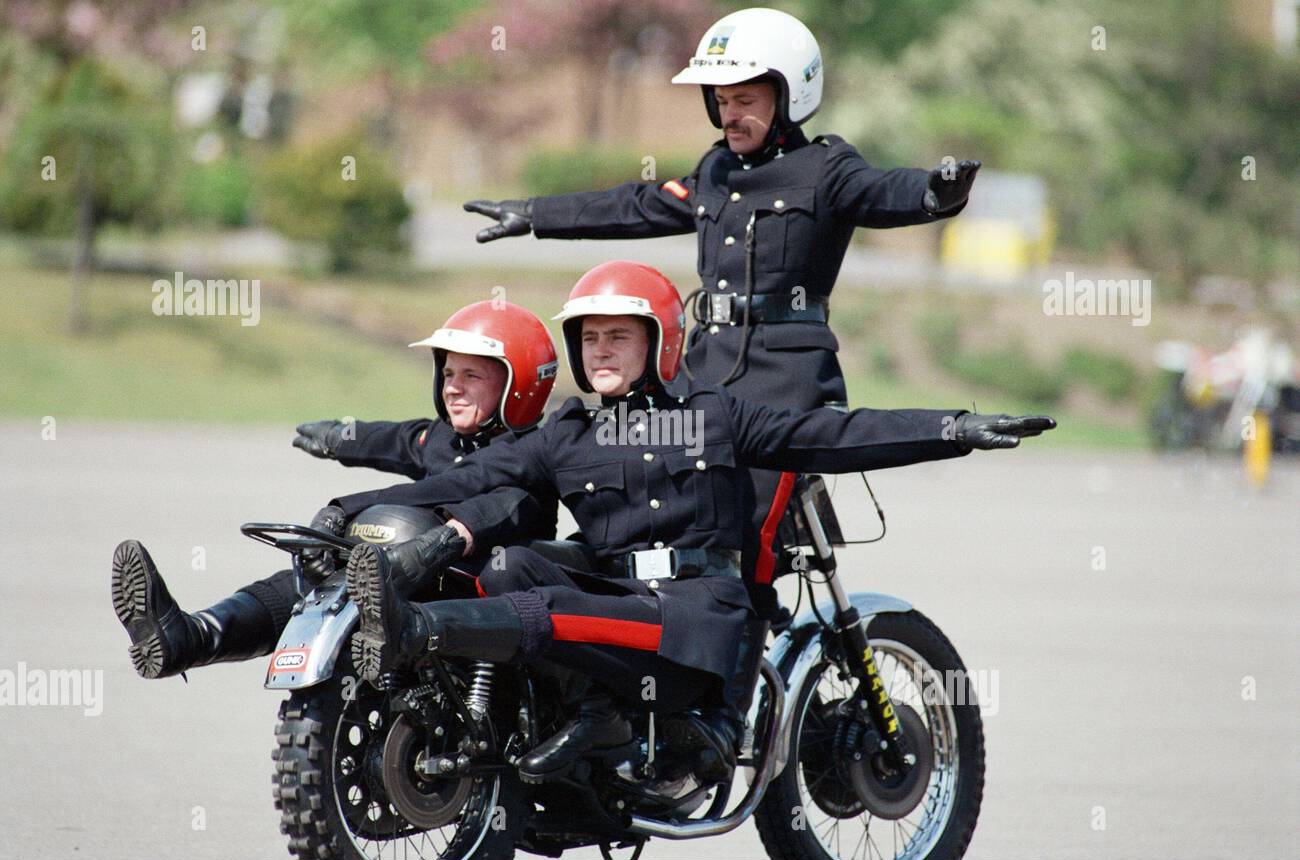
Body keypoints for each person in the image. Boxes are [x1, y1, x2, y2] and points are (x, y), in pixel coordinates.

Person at [329, 261, 1053, 784]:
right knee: (511, 565)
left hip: (693, 624)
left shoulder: (716, 415)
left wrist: (955, 428)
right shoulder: (568, 430)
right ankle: (575, 721)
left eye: (619, 336)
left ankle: (415, 630)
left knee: (546, 604)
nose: (602, 351)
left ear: (659, 345)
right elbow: (469, 477)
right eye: (590, 338)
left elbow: (835, 434)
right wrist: (344, 518)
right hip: (613, 616)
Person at [461, 7, 983, 620]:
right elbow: (638, 204)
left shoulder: (826, 168)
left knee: (750, 519)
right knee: (648, 479)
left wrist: (932, 193)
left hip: (787, 376)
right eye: (721, 99)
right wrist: (535, 214)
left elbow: (882, 191)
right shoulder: (715, 170)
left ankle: (740, 642)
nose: (731, 113)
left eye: (745, 99)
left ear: (789, 95)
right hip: (706, 367)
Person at [109, 301, 559, 680]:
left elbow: (458, 486)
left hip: (482, 610)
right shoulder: (443, 438)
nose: (453, 388)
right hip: (409, 588)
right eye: (448, 373)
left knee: (394, 542)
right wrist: (337, 437)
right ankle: (194, 636)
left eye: (472, 376)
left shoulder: (531, 452)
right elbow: (394, 439)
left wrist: (343, 509)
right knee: (313, 580)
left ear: (518, 384)